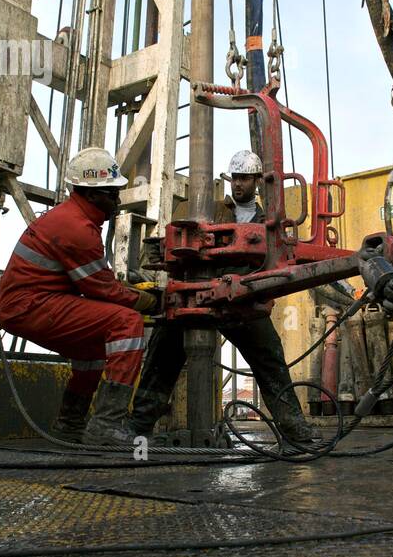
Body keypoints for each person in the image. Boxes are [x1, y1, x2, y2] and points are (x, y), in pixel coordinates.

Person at [132, 149, 316, 446]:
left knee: (270, 357)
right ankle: (138, 427)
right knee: (162, 353)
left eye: (244, 178)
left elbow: (276, 264)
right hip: (198, 295)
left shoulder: (268, 221)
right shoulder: (211, 209)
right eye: (235, 178)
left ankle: (295, 430)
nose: (238, 184)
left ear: (257, 181)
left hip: (241, 300)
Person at [0, 147, 159, 445]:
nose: (117, 201)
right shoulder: (77, 228)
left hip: (30, 304)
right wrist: (151, 301)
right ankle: (106, 425)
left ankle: (70, 424)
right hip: (30, 306)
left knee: (93, 348)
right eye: (112, 194)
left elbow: (97, 284)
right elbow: (101, 289)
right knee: (127, 323)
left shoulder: (74, 219)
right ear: (92, 194)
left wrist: (132, 292)